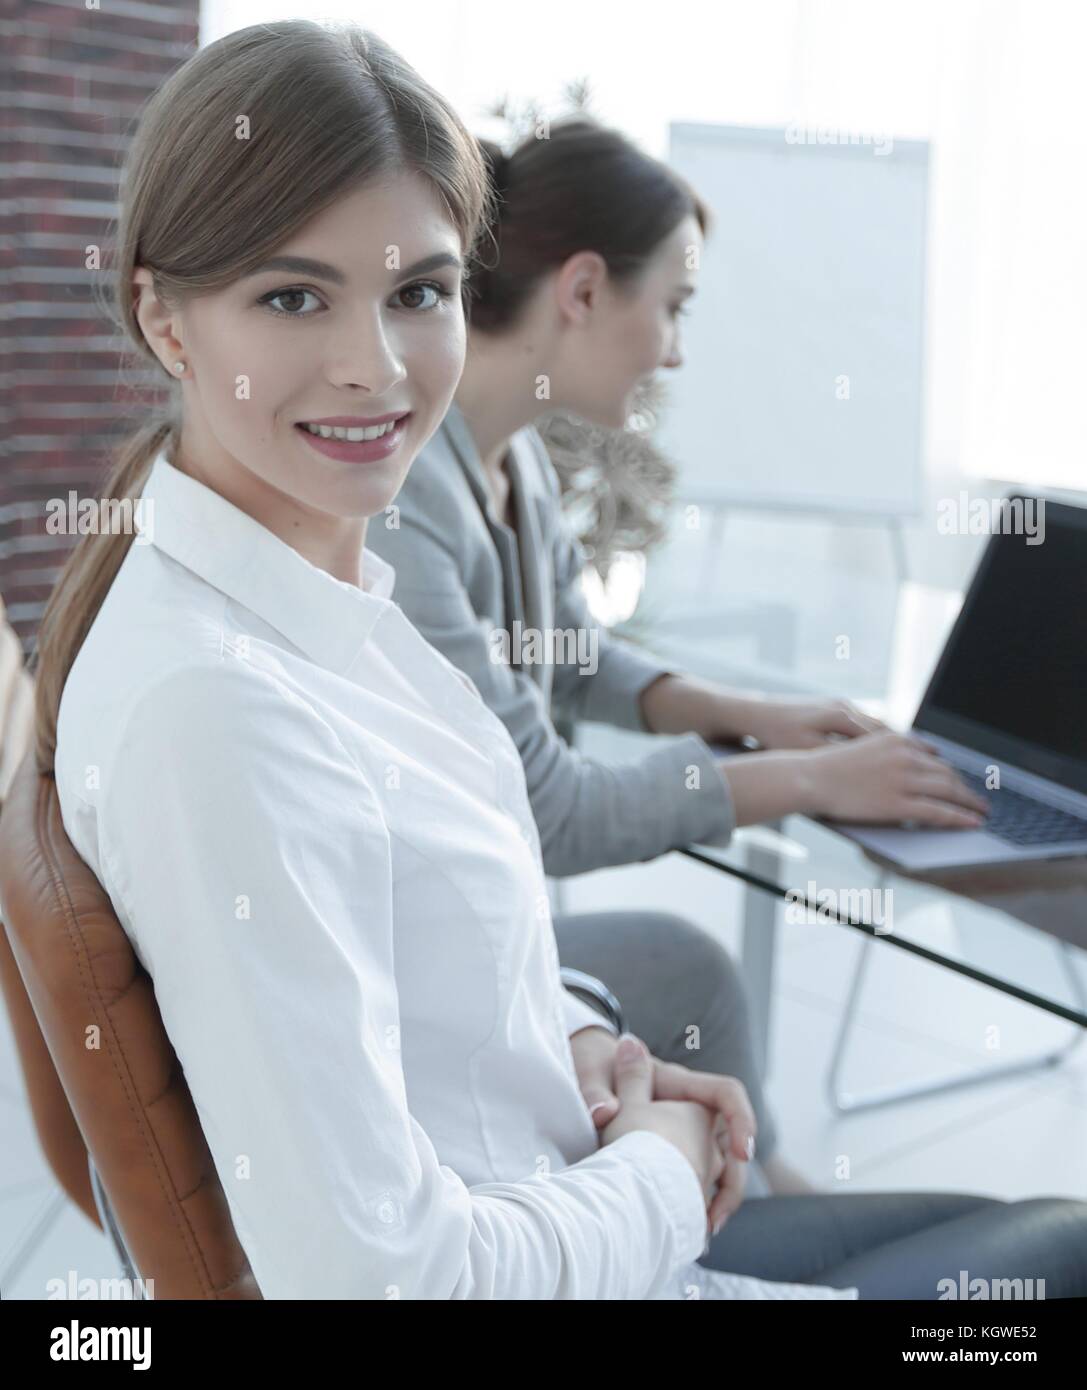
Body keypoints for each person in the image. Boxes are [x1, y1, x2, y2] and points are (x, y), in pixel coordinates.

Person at [35, 21, 1087, 1299]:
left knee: (1028, 1226)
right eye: (292, 295)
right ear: (165, 316)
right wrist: (658, 1156)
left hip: (559, 1185)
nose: (375, 368)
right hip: (566, 1246)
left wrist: (583, 1038)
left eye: (418, 292)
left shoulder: (310, 591)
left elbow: (431, 939)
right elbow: (382, 1286)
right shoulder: (219, 710)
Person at [364, 114, 993, 1199]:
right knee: (687, 966)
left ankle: (755, 1206)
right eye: (674, 306)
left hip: (487, 941)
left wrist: (746, 712)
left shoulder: (508, 465)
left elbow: (575, 657)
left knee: (689, 970)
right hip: (420, 979)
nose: (677, 348)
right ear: (584, 290)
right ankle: (749, 1228)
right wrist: (802, 778)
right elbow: (550, 811)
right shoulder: (411, 493)